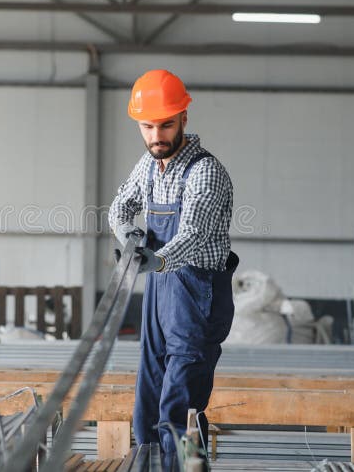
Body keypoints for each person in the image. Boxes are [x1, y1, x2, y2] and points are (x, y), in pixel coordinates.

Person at [108, 69, 238, 465]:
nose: (156, 136)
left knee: (181, 411)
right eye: (147, 126)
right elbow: (119, 207)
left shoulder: (205, 173)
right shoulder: (148, 166)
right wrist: (129, 235)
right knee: (147, 408)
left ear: (184, 118)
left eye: (165, 125)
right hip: (160, 297)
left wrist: (156, 259)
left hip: (196, 301)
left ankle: (190, 468)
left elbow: (194, 234)